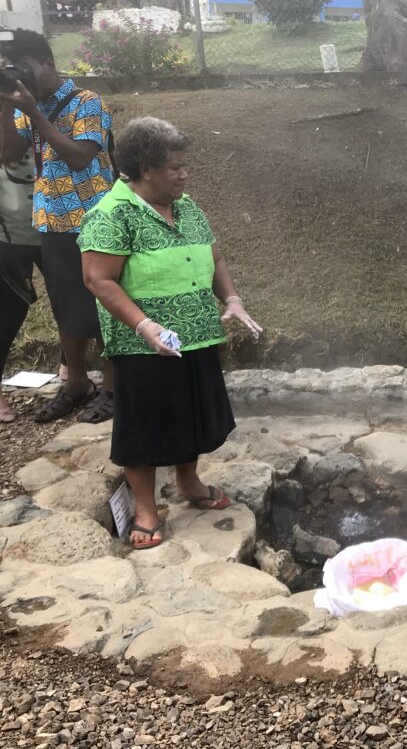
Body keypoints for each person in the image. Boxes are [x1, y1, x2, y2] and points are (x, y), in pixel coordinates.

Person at [78, 117, 262, 549]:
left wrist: (231, 299)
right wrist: (144, 325)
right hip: (142, 345)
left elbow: (213, 257)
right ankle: (145, 507)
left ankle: (189, 482)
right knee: (144, 425)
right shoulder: (111, 215)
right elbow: (98, 279)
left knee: (190, 416)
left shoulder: (187, 206)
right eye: (175, 167)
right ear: (145, 169)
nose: (185, 174)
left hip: (195, 335)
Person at [0, 29, 116, 423]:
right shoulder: (21, 106)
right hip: (51, 219)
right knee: (66, 309)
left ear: (48, 63)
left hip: (95, 219)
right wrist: (5, 105)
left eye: (25, 67)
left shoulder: (87, 102)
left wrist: (35, 113)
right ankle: (77, 384)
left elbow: (82, 156)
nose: (21, 76)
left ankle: (115, 387)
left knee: (105, 306)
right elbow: (11, 153)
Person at [0, 146, 38, 423]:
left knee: (71, 297)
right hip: (8, 229)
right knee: (9, 310)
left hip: (59, 218)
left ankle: (70, 369)